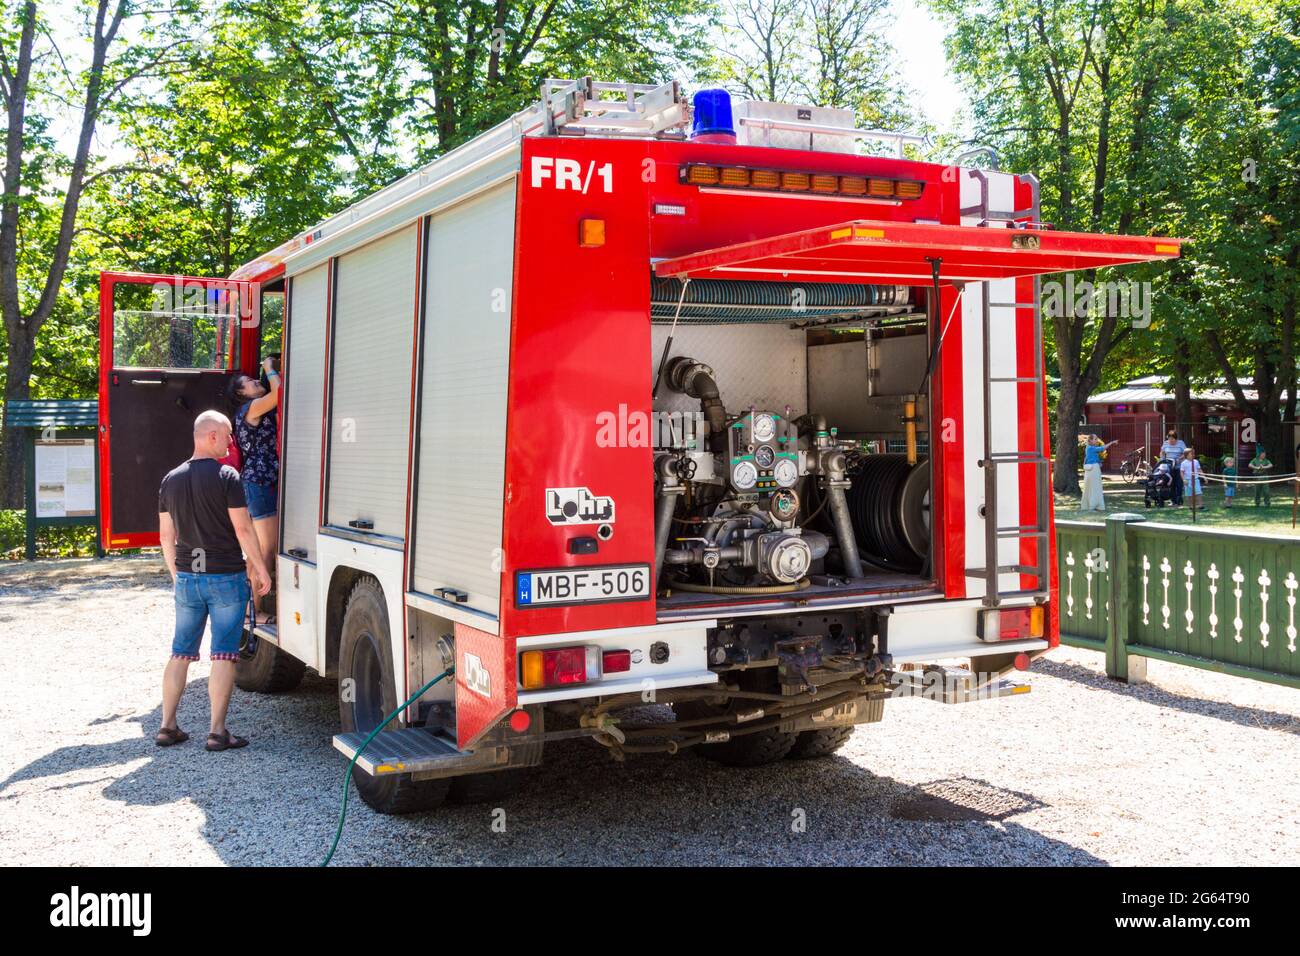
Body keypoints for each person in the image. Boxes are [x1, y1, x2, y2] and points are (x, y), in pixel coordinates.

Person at [156, 410, 272, 752]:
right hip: (225, 577)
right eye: (226, 436)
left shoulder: (170, 479)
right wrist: (260, 567)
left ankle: (167, 726)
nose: (231, 442)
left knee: (180, 652)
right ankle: (218, 732)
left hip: (188, 578)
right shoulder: (227, 476)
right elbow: (243, 528)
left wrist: (176, 575)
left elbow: (166, 536)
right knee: (223, 654)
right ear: (210, 437)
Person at [227, 356, 280, 622]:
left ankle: (249, 609)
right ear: (241, 393)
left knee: (260, 550)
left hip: (260, 483)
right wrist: (270, 369)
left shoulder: (254, 408)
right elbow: (280, 393)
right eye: (249, 382)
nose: (256, 380)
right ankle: (252, 611)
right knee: (265, 550)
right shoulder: (250, 409)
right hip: (258, 484)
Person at [1080, 435, 1118, 512]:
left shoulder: (1089, 448)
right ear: (1090, 440)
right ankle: (1092, 506)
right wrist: (1112, 442)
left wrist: (1099, 462)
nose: (1097, 440)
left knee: (1094, 488)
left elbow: (1091, 458)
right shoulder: (1091, 448)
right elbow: (1102, 448)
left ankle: (1094, 505)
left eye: (1097, 439)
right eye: (1095, 439)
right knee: (1094, 488)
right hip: (1093, 469)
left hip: (1092, 469)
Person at [1161, 429, 1187, 504]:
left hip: (1179, 466)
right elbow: (1162, 452)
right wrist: (1162, 461)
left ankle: (1179, 499)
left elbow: (1185, 453)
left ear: (1176, 439)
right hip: (1169, 467)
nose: (1171, 441)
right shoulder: (1165, 443)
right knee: (1171, 483)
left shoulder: (1181, 443)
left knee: (1179, 483)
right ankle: (1173, 500)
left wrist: (1179, 459)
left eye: (1173, 439)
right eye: (1169, 439)